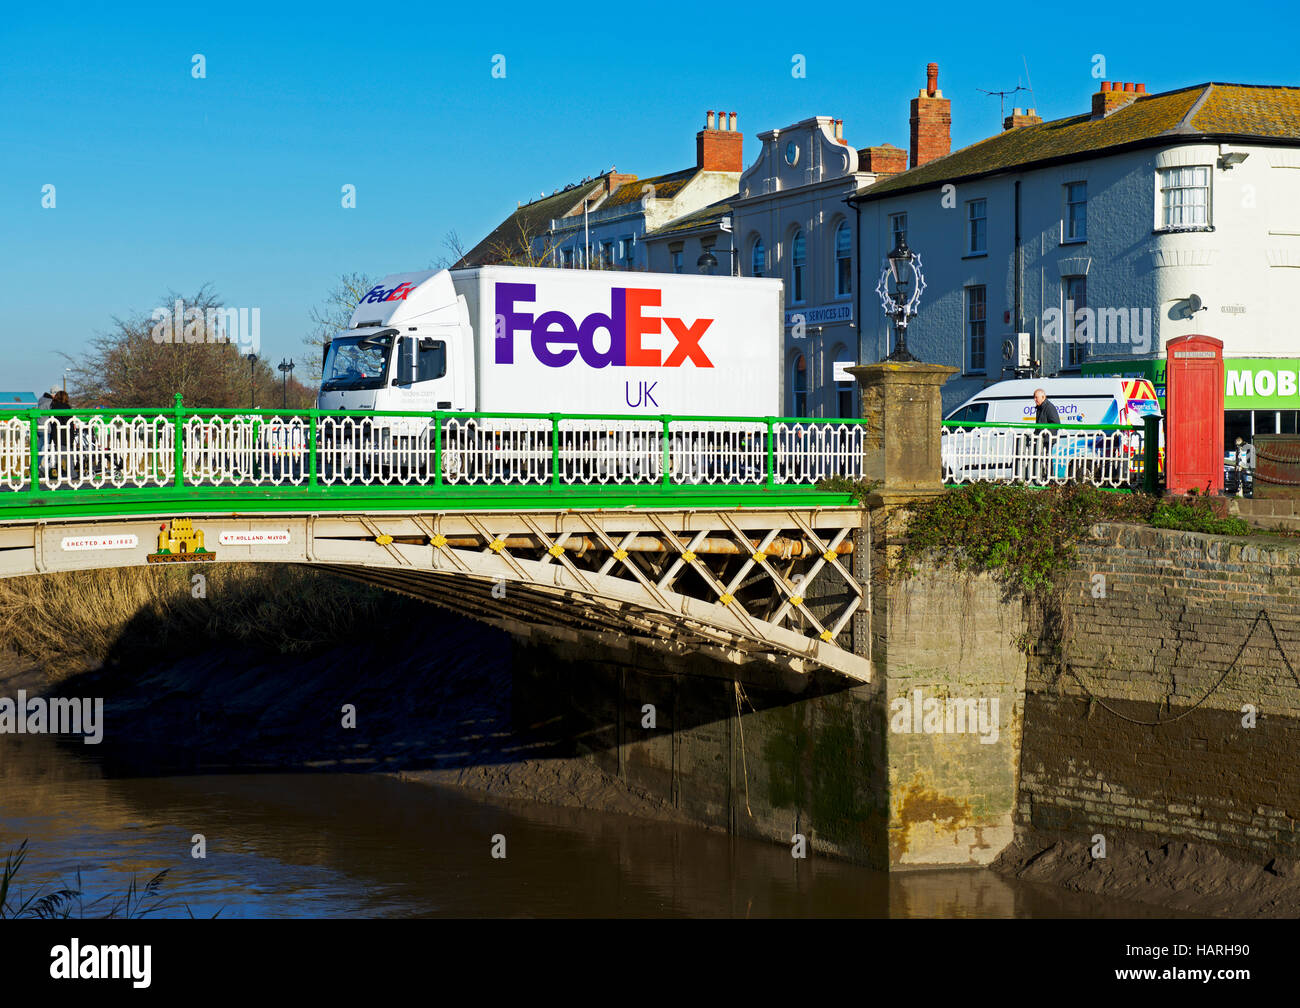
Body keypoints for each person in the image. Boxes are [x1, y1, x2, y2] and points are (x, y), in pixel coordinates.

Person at [1030, 388, 1061, 482]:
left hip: (1047, 439)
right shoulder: (1040, 407)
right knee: (1044, 459)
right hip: (1042, 439)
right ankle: (1044, 478)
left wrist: (1044, 434)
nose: (1034, 399)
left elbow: (1056, 423)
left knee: (1047, 459)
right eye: (1034, 397)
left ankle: (1049, 480)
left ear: (1043, 397)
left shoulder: (1049, 407)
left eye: (1036, 397)